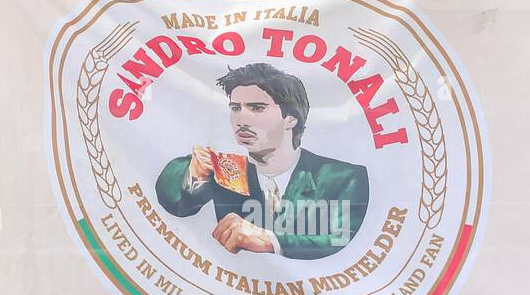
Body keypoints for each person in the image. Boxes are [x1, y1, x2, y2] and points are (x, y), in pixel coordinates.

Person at [155, 63, 370, 260]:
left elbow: (339, 238)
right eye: (235, 108)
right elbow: (176, 202)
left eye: (256, 108)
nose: (241, 119)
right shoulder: (227, 170)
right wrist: (193, 174)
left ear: (291, 118)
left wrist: (269, 240)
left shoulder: (344, 178)